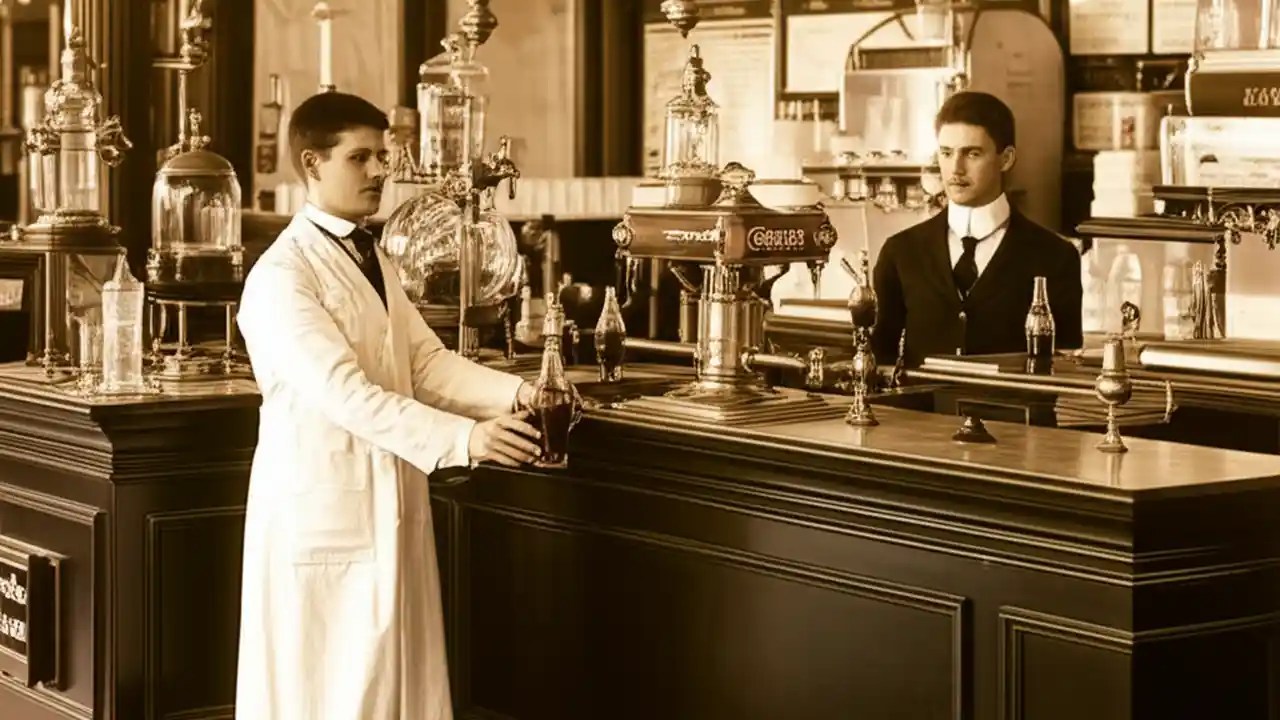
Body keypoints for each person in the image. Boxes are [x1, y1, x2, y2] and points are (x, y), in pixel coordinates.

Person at [234, 91, 545, 720]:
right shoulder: (280, 277)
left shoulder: (370, 255)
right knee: (328, 692)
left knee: (390, 687)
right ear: (312, 164)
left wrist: (521, 393)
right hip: (323, 518)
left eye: (382, 155)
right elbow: (345, 393)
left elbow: (425, 362)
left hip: (384, 508)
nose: (380, 171)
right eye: (361, 157)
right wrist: (467, 439)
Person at [870, 91, 1083, 368]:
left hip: (1010, 411)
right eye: (946, 153)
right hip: (919, 412)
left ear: (1005, 159)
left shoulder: (1055, 256)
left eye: (972, 153)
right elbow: (879, 359)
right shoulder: (901, 252)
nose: (955, 169)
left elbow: (1066, 363)